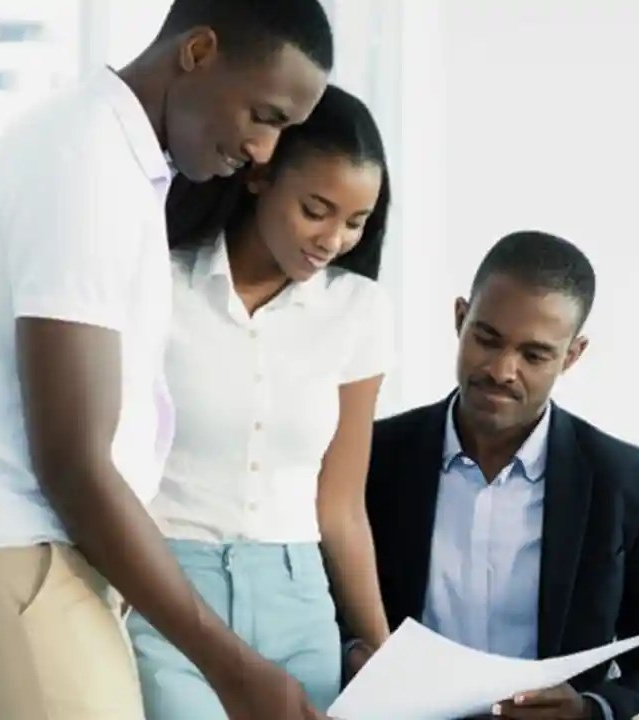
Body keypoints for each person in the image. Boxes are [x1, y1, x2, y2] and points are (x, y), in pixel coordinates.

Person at [0, 2, 334, 719]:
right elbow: (73, 464)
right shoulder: (83, 161)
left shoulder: (111, 161)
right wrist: (232, 667)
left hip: (36, 552)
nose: (264, 152)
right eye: (264, 115)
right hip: (11, 544)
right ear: (198, 51)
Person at [354, 231, 639, 719]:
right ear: (460, 319)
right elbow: (322, 615)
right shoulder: (372, 457)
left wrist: (589, 709)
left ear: (571, 356)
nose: (501, 370)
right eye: (486, 339)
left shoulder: (627, 483)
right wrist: (354, 654)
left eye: (534, 355)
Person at [128, 83, 394, 717]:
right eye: (316, 209)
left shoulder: (360, 311)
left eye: (355, 222)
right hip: (170, 591)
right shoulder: (157, 285)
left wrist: (382, 650)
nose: (333, 239)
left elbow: (342, 506)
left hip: (299, 600)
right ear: (260, 178)